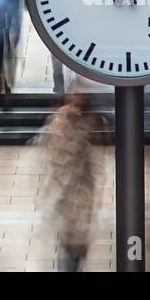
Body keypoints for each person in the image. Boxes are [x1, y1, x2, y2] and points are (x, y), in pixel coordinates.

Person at [38, 84, 105, 271]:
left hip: (82, 193)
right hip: (64, 193)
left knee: (78, 243)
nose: (75, 100)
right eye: (73, 95)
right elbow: (52, 155)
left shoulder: (90, 124)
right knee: (69, 243)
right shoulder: (59, 121)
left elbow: (96, 162)